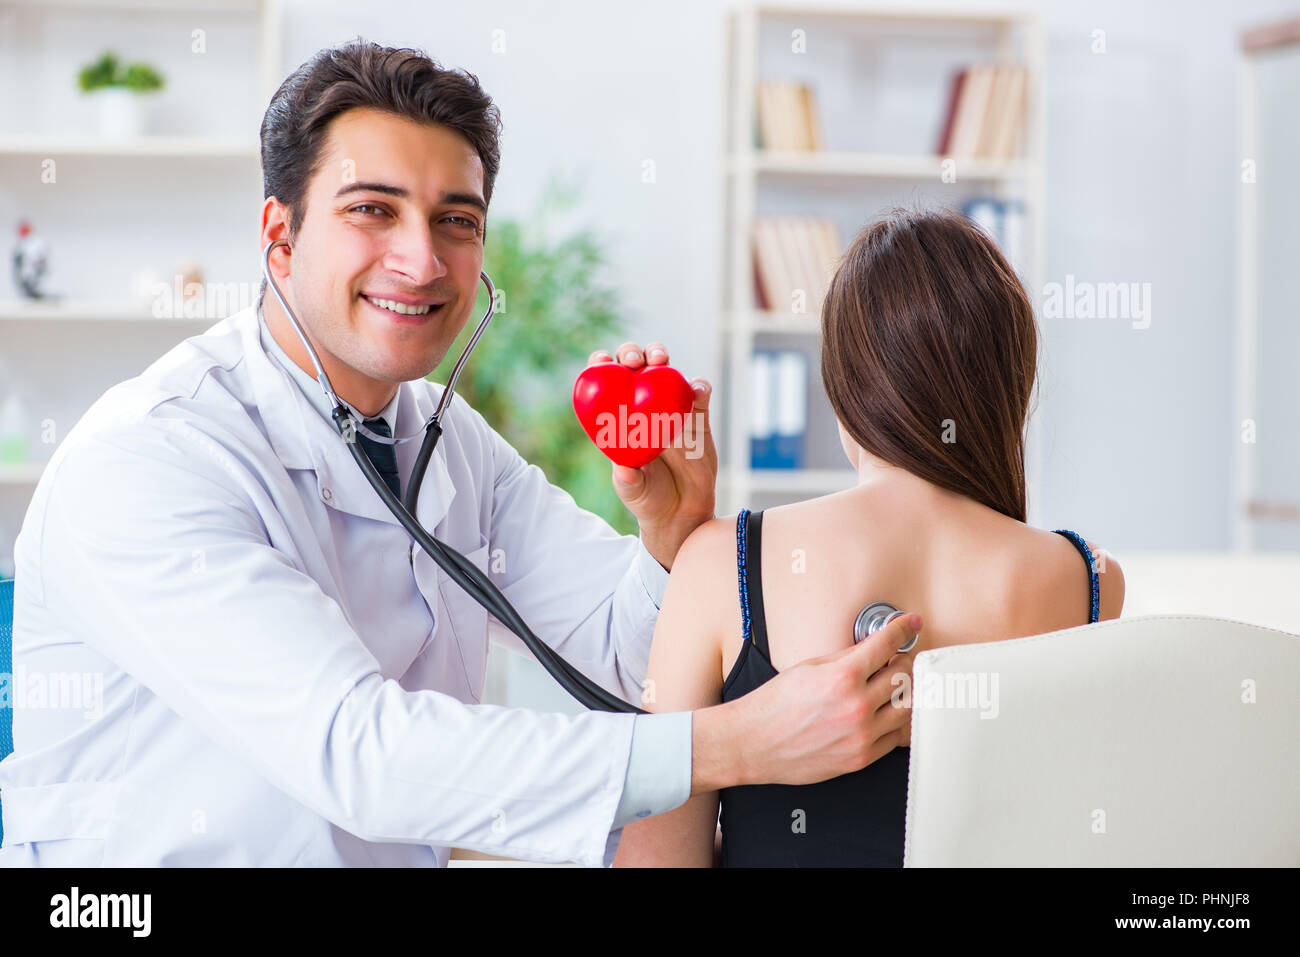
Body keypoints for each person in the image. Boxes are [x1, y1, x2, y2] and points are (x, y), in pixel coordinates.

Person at [0, 40, 916, 867]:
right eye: (373, 209)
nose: (421, 259)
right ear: (279, 237)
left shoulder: (440, 436)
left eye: (455, 220)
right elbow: (358, 750)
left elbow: (615, 650)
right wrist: (741, 741)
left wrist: (668, 543)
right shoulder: (150, 458)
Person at [612, 208, 1126, 867]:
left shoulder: (720, 562)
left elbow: (657, 861)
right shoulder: (1090, 579)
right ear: (1010, 391)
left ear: (843, 393)